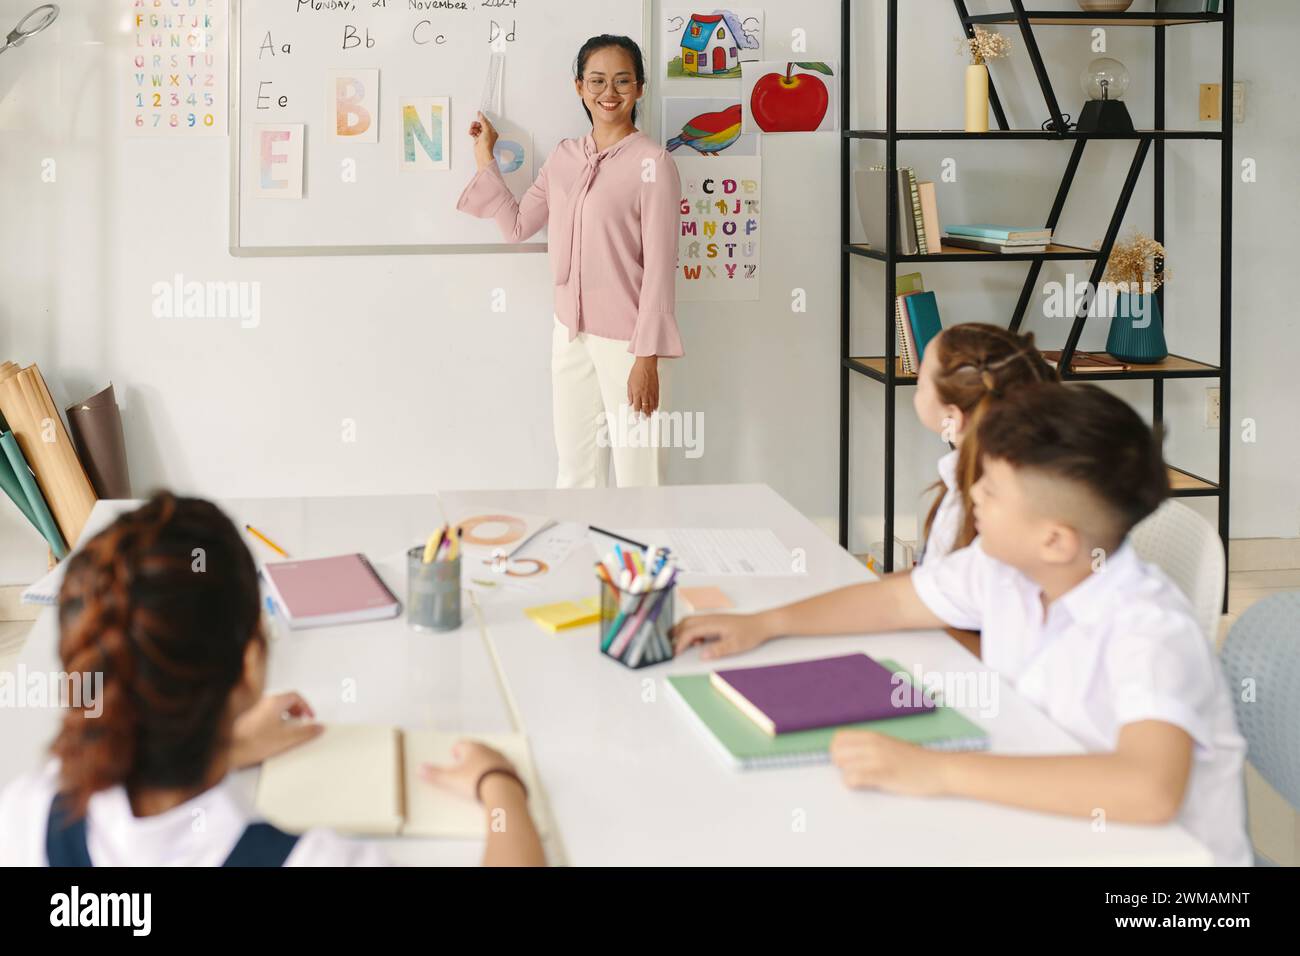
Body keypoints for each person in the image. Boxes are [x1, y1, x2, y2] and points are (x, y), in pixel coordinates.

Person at [674, 384, 1251, 865]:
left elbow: (1147, 790)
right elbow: (898, 603)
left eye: (992, 491)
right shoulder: (1007, 569)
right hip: (1054, 822)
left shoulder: (1150, 629)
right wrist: (766, 623)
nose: (971, 493)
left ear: (1054, 539)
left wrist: (938, 771)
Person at [0, 493, 545, 866]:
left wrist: (226, 744)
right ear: (250, 663)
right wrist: (500, 787)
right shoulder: (312, 860)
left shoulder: (26, 816)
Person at [458, 35, 682, 489]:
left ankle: (638, 559)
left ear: (640, 88)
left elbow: (660, 266)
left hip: (629, 342)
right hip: (569, 333)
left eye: (622, 81)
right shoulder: (563, 157)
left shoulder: (653, 162)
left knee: (639, 478)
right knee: (575, 475)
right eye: (597, 80)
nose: (609, 93)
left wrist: (646, 358)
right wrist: (486, 159)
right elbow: (519, 226)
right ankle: (582, 558)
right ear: (579, 87)